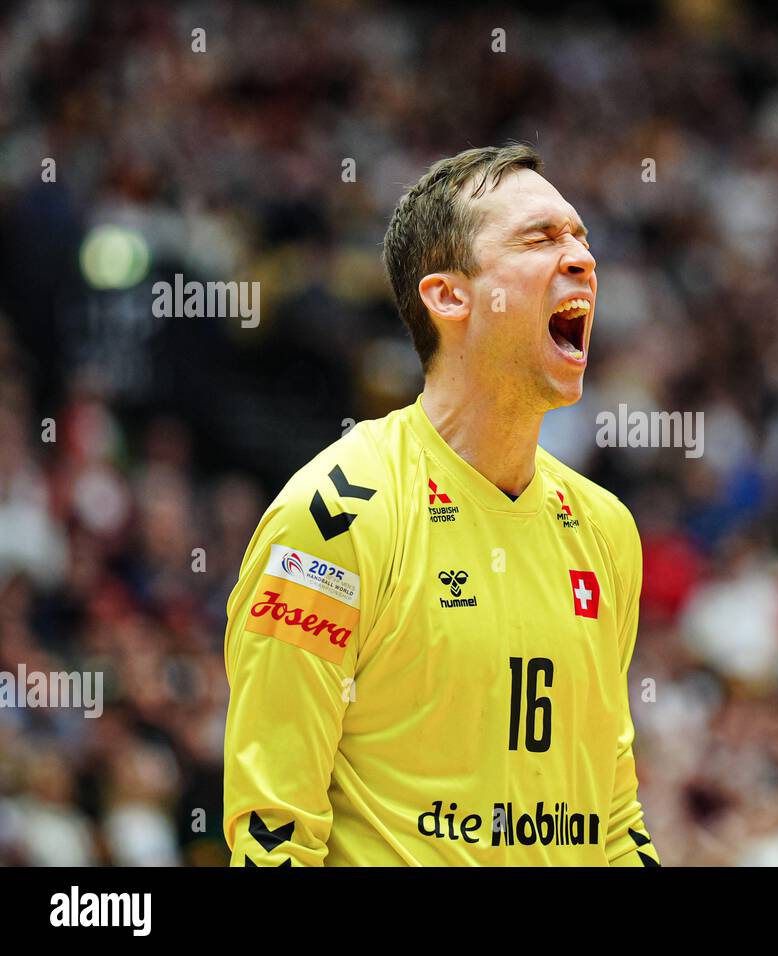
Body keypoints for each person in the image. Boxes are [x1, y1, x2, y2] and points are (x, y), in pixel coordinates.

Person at [222, 142, 660, 866]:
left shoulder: (606, 530)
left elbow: (612, 819)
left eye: (580, 237)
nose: (581, 258)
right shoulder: (337, 517)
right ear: (449, 296)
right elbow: (274, 837)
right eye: (540, 239)